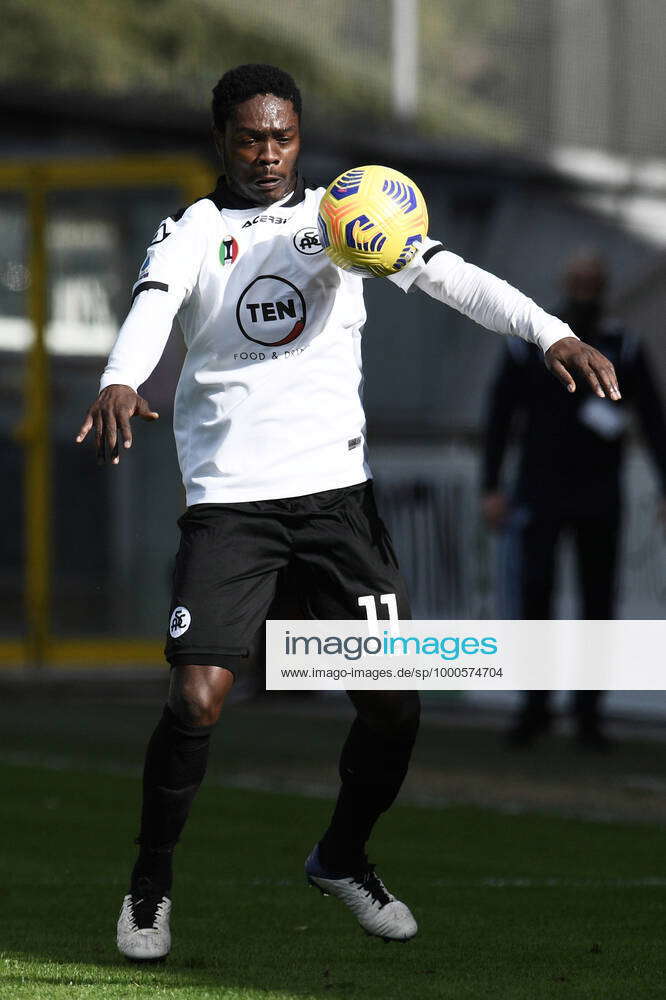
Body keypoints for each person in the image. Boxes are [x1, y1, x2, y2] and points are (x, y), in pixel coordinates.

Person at [75, 65, 620, 961]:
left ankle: (342, 858)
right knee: (197, 699)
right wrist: (119, 380)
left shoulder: (345, 218)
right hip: (231, 505)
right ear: (222, 140)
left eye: (283, 136)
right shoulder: (193, 230)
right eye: (251, 138)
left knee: (394, 705)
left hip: (337, 503)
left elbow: (450, 276)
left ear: (299, 135)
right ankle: (148, 890)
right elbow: (153, 304)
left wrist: (549, 330)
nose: (268, 154)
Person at [481, 251, 666, 749]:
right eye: (578, 279)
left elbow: (653, 419)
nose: (585, 288)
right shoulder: (530, 343)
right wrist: (491, 486)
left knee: (597, 602)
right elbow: (499, 416)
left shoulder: (624, 345)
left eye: (593, 280)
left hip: (599, 492)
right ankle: (534, 707)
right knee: (535, 595)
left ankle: (588, 713)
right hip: (539, 489)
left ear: (603, 286)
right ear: (566, 282)